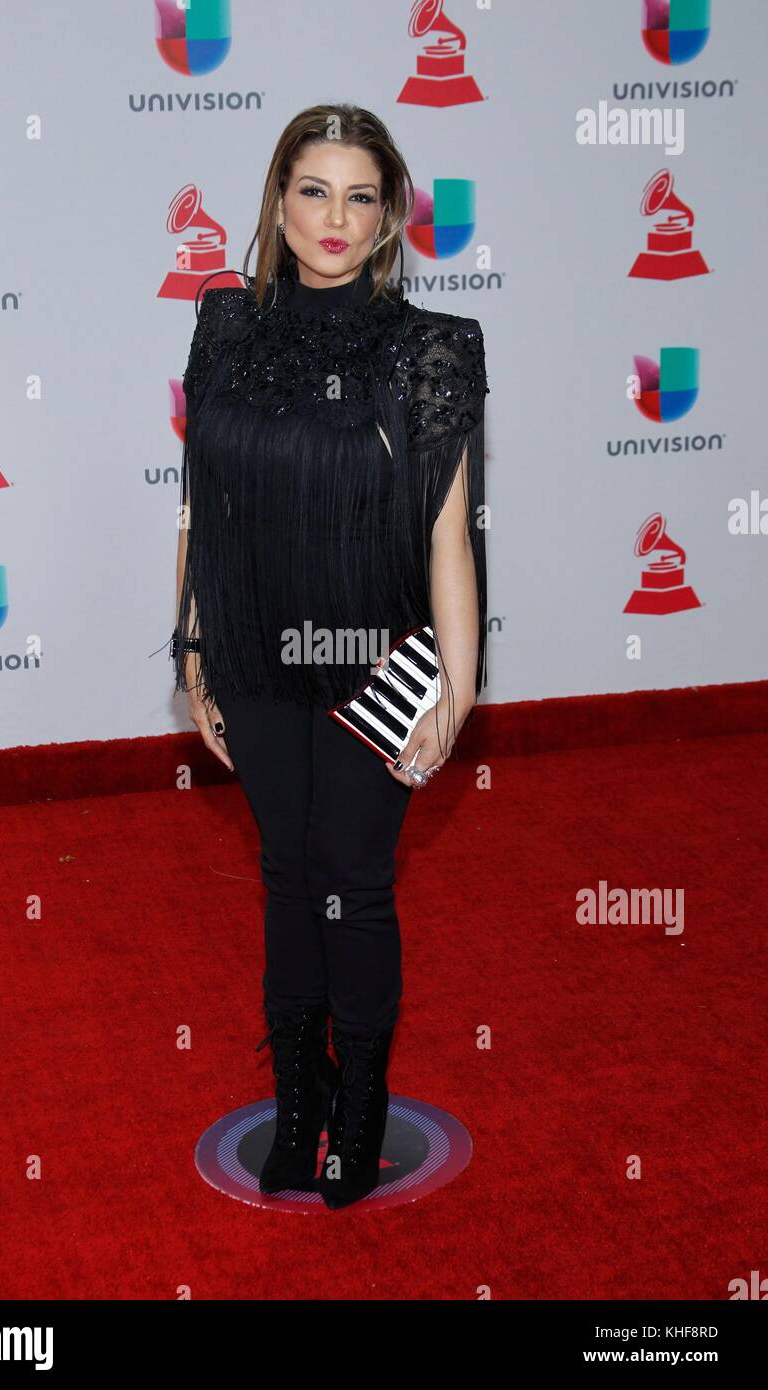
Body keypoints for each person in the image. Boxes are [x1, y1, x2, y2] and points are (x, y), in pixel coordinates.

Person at [168, 104, 489, 1210]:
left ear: (389, 213)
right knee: (284, 875)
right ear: (277, 200)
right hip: (253, 644)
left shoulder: (431, 346)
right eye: (312, 191)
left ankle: (356, 1118)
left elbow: (448, 530)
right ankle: (298, 1101)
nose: (333, 217)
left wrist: (459, 679)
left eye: (359, 195)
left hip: (373, 657)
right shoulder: (221, 326)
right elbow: (197, 504)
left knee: (351, 883)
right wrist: (193, 643)